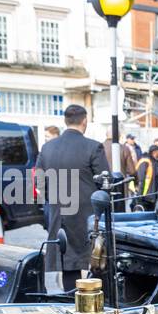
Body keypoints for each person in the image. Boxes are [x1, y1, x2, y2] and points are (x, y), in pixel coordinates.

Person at [33, 104, 110, 292]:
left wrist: (53, 201)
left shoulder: (48, 147)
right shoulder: (93, 147)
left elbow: (39, 180)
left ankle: (71, 303)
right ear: (84, 121)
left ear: (65, 121)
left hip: (60, 213)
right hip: (88, 216)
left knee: (68, 263)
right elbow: (105, 184)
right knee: (97, 261)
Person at [135, 144, 158, 208]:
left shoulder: (155, 162)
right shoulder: (145, 161)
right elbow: (141, 179)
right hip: (145, 197)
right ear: (154, 152)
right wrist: (139, 197)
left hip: (153, 196)